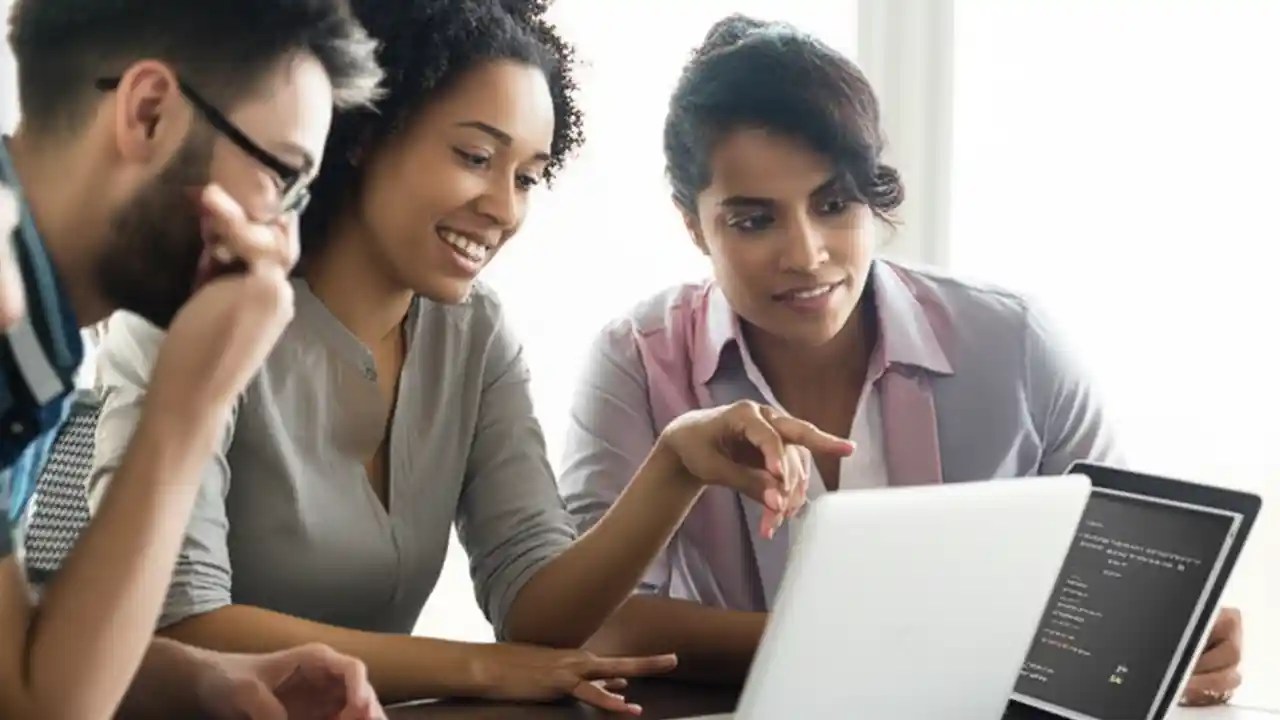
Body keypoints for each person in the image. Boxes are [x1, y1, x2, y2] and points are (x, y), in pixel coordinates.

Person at [90, 0, 850, 715]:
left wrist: (675, 465)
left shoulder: (472, 330)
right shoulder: (199, 305)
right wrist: (479, 666)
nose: (504, 207)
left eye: (526, 176)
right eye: (475, 156)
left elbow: (537, 608)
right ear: (364, 132)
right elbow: (179, 623)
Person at [558, 14, 1245, 707]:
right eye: (754, 219)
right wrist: (891, 648)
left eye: (834, 204)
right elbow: (599, 625)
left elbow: (1114, 580)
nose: (806, 253)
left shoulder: (1016, 345)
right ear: (692, 225)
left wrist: (1167, 633)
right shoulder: (637, 363)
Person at [0, 1, 390, 718]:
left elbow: (11, 659)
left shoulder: (36, 341)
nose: (285, 244)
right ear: (148, 112)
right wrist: (190, 406)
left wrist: (205, 677)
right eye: (282, 180)